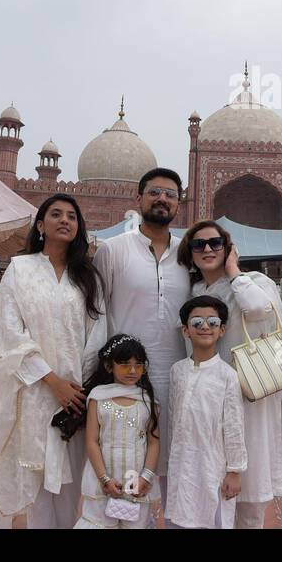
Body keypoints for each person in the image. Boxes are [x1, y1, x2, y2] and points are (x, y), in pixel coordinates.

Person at [0, 193, 108, 529]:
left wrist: (80, 388)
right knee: (38, 486)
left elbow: (98, 333)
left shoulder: (87, 277)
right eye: (56, 214)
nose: (65, 220)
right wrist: (51, 380)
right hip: (34, 391)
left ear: (79, 228)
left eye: (72, 216)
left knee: (69, 486)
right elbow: (8, 333)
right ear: (41, 225)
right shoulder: (21, 270)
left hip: (76, 399)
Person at [178, 220, 282, 528]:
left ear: (228, 248)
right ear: (190, 253)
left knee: (250, 498)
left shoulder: (252, 281)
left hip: (249, 396)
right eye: (198, 245)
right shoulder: (194, 290)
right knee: (210, 492)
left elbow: (258, 310)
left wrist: (234, 271)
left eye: (215, 243)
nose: (207, 249)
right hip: (208, 399)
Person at [93, 167, 190, 497]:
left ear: (180, 203)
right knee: (125, 465)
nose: (163, 199)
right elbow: (95, 313)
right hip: (126, 380)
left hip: (176, 378)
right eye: (154, 192)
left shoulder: (189, 254)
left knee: (177, 466)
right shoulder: (113, 250)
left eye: (171, 194)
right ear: (139, 199)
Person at [165, 296, 246, 530]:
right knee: (181, 517)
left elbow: (234, 426)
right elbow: (173, 420)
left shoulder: (227, 375)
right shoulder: (177, 371)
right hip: (182, 464)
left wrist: (235, 471)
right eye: (197, 322)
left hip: (214, 466)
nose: (205, 327)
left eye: (212, 322)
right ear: (185, 331)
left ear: (222, 330)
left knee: (212, 517)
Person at [74, 334, 162, 529]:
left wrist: (145, 478)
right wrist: (104, 479)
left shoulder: (148, 401)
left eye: (138, 365)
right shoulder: (98, 398)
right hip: (102, 479)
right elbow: (91, 441)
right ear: (109, 366)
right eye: (124, 364)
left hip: (136, 480)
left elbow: (154, 442)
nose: (132, 370)